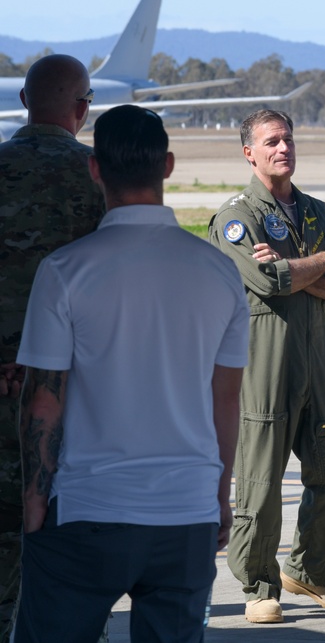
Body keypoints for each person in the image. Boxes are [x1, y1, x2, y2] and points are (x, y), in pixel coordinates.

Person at [13, 105, 248, 642]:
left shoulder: (65, 271)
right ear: (166, 165)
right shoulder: (220, 272)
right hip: (185, 514)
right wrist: (218, 497)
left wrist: (33, 506)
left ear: (95, 168)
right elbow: (226, 400)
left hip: (88, 512)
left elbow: (42, 403)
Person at [209, 109, 325, 624]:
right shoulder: (237, 216)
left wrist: (300, 265)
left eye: (288, 139)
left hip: (318, 358)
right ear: (249, 152)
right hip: (264, 360)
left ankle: (313, 570)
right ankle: (258, 584)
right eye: (271, 141)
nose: (283, 148)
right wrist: (322, 262)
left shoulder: (320, 213)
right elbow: (268, 281)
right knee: (260, 478)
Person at [0, 54, 105, 642]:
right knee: (70, 554)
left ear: (23, 100)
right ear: (82, 109)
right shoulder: (94, 176)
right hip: (69, 400)